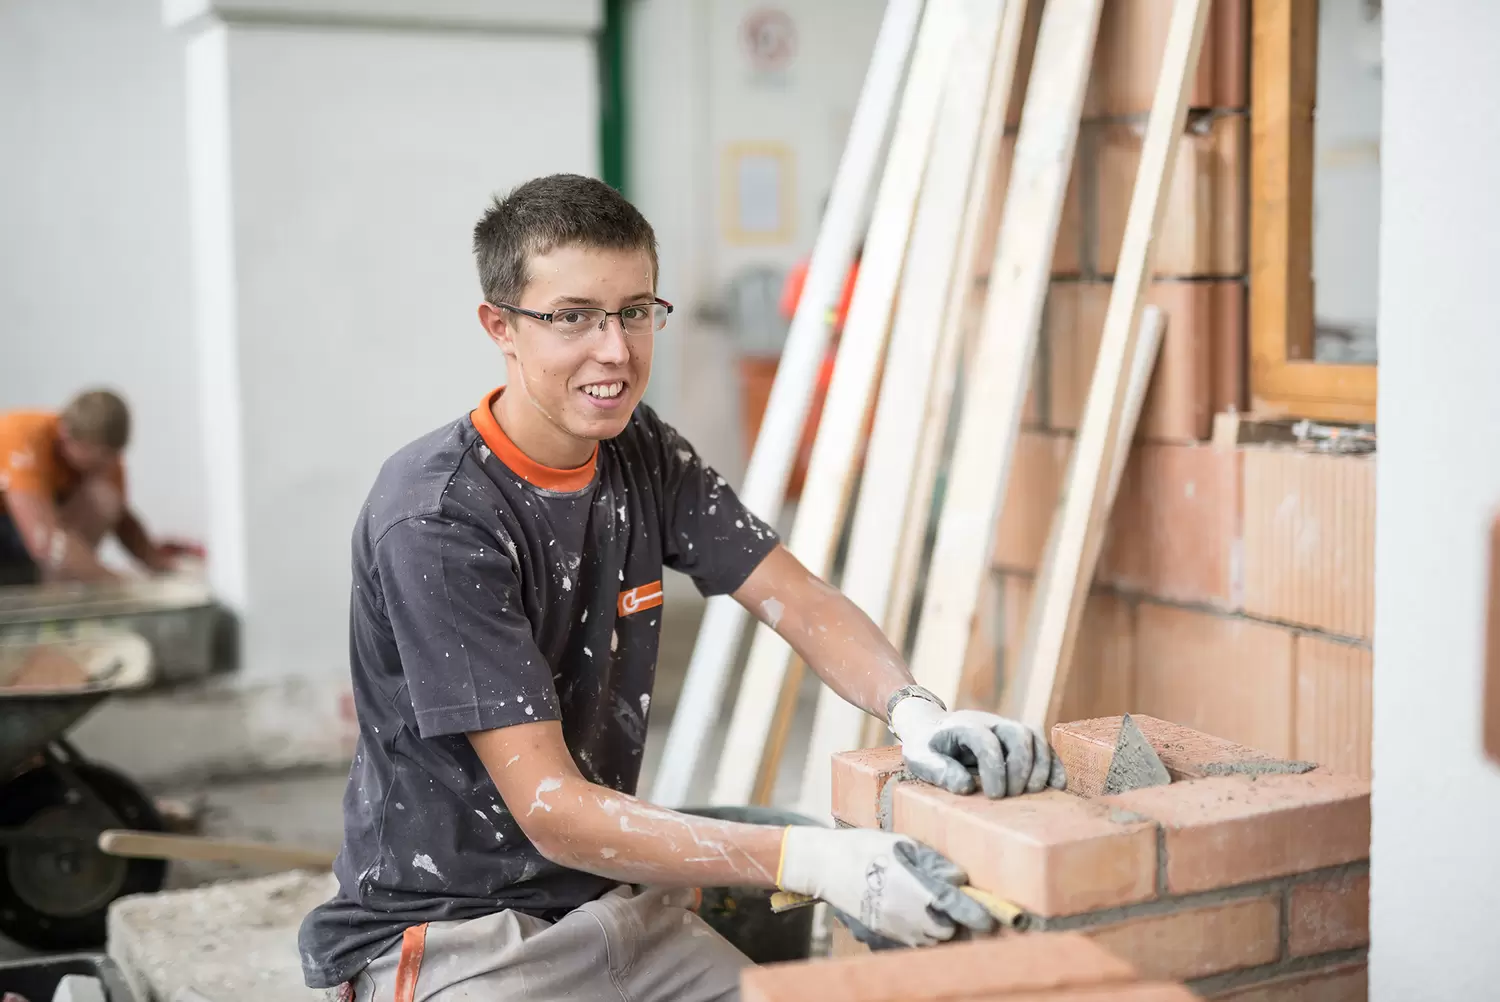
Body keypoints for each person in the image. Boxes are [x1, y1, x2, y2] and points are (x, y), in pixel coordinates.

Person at [298, 174, 1065, 1002]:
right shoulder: (438, 519)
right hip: (461, 937)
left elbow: (800, 598)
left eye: (633, 311)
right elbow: (551, 808)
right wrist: (817, 862)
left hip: (614, 905)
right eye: (573, 317)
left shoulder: (639, 452)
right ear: (501, 327)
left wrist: (915, 712)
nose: (615, 351)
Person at [0, 389, 188, 586]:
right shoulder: (23, 436)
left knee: (103, 497)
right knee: (54, 544)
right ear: (65, 435)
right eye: (95, 460)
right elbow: (45, 540)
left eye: (109, 459)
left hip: (28, 533)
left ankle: (57, 586)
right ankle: (57, 585)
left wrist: (159, 564)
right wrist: (118, 585)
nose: (105, 467)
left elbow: (122, 520)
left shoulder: (106, 461)